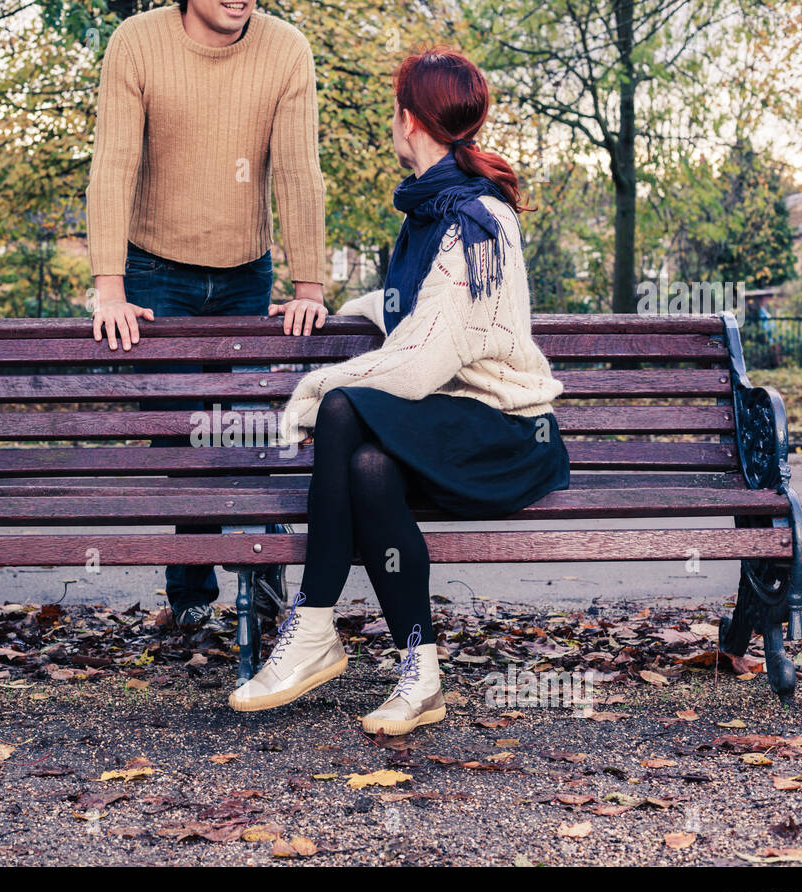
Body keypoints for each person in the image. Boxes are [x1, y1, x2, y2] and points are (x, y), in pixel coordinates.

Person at [228, 47, 572, 736]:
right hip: (451, 424)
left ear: (409, 121)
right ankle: (421, 677)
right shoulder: (432, 211)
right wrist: (335, 313)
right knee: (367, 466)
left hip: (504, 432)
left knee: (342, 404)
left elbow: (419, 364)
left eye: (394, 109)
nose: (393, 120)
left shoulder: (474, 221)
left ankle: (313, 624)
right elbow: (415, 311)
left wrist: (309, 390)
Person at [86, 0, 328, 631]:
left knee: (247, 434)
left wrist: (309, 285)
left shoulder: (286, 49)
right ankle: (192, 593)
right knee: (182, 440)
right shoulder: (136, 42)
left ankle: (266, 581)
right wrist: (108, 288)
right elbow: (113, 165)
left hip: (247, 273)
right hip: (154, 273)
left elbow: (299, 172)